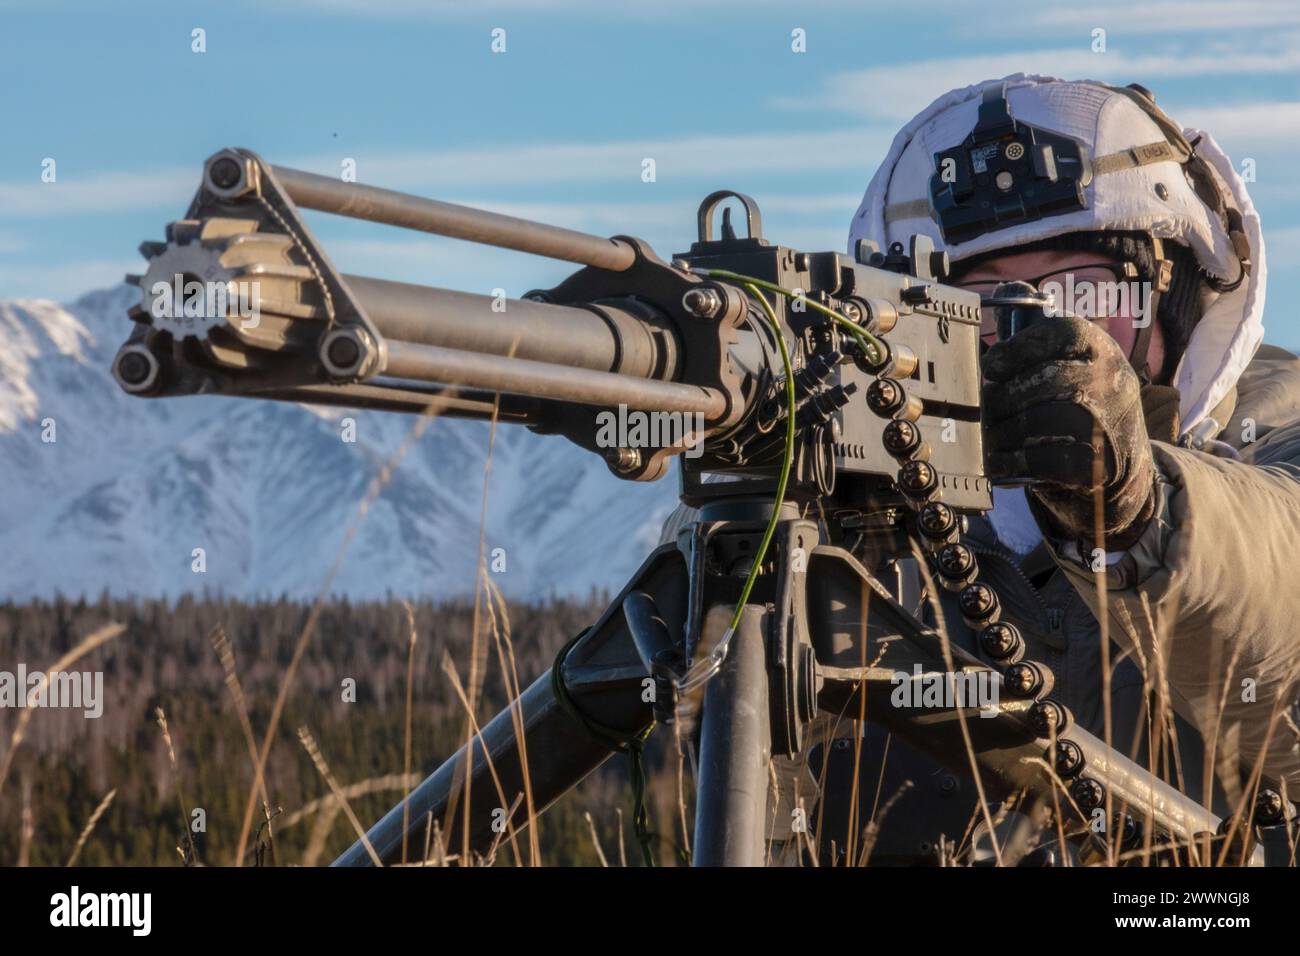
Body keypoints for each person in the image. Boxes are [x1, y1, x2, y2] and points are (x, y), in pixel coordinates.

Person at [676, 75, 1300, 863]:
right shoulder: (897, 501)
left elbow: (1282, 598)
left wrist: (1136, 506)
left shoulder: (1276, 430)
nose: (1045, 329)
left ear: (1174, 298)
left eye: (1083, 290)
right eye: (978, 310)